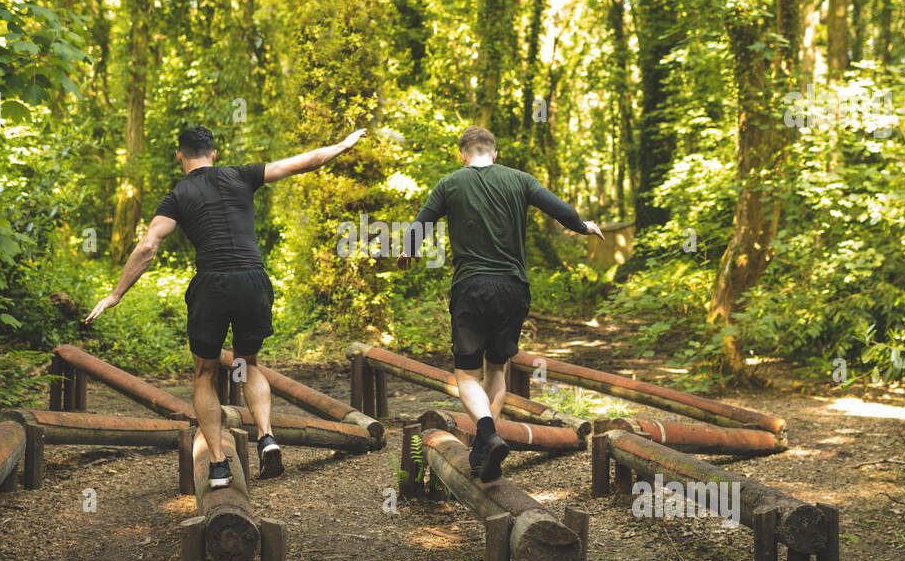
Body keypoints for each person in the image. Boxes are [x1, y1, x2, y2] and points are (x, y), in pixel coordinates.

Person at [86, 126, 367, 489]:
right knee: (246, 363)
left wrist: (116, 294)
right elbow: (304, 163)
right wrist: (343, 144)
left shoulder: (178, 195)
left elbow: (148, 247)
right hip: (253, 280)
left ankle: (218, 464)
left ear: (179, 157)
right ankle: (266, 437)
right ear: (214, 153)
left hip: (212, 286)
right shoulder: (242, 174)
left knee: (205, 372)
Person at [399, 125, 603, 481]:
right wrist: (584, 226)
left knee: (465, 374)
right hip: (513, 289)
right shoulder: (520, 180)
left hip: (471, 289)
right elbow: (561, 211)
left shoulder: (450, 183)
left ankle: (487, 432)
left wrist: (408, 249)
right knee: (496, 370)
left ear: (462, 155)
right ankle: (486, 441)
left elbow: (419, 227)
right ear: (494, 154)